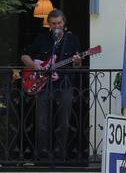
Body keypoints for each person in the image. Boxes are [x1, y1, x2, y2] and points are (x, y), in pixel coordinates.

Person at [21, 9, 83, 162]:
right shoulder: (42, 39)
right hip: (42, 85)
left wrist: (77, 61)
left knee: (64, 121)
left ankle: (60, 155)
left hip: (65, 85)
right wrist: (35, 66)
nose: (57, 26)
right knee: (42, 122)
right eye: (54, 23)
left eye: (59, 23)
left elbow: (77, 66)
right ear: (49, 25)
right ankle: (42, 156)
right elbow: (24, 56)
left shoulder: (73, 39)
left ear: (64, 23)